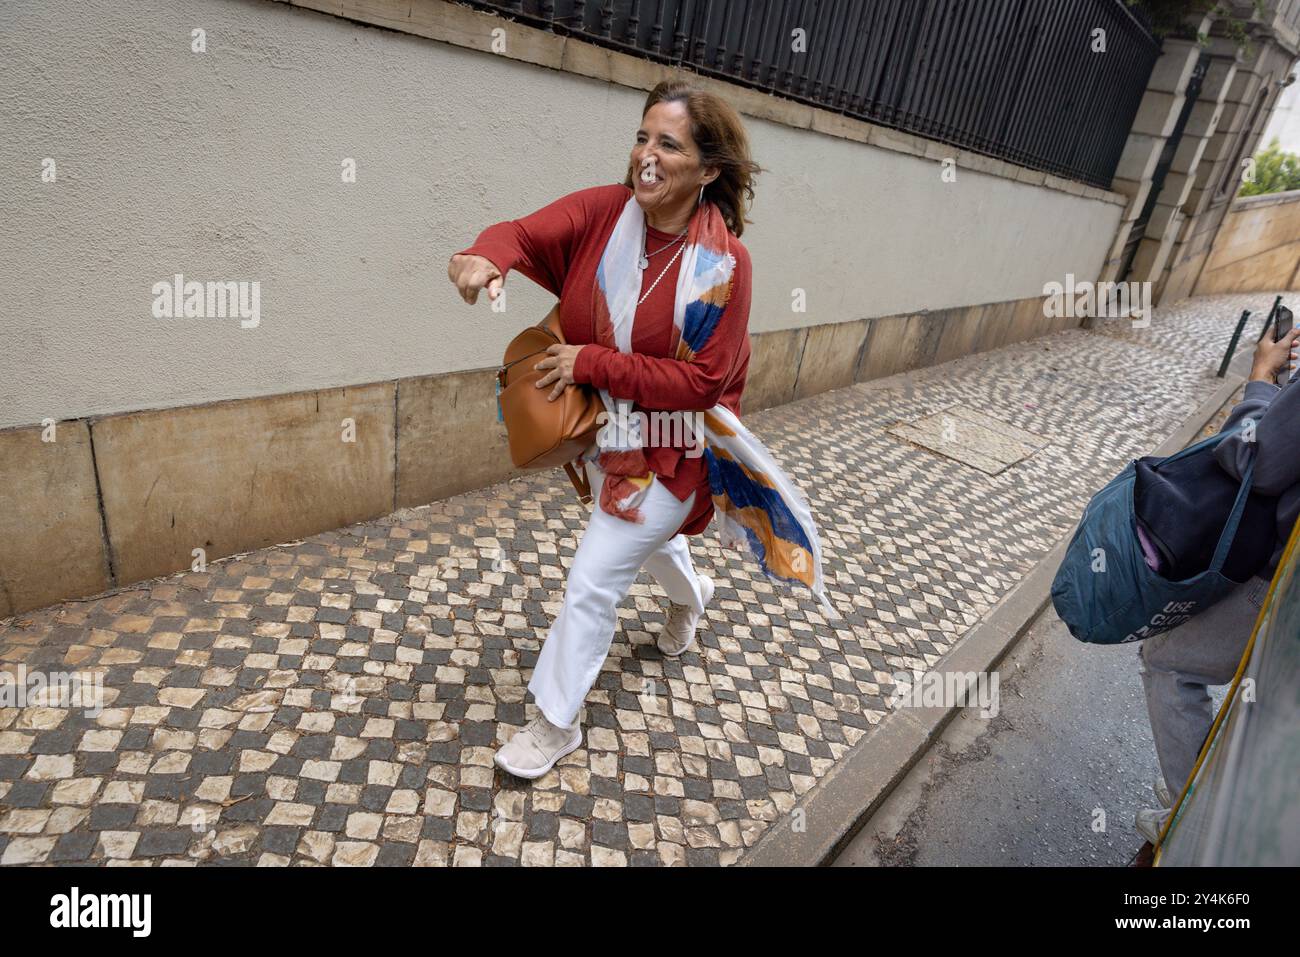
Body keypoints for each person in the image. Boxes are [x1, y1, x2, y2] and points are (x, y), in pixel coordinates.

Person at [448, 80, 826, 781]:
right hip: (608, 441)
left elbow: (702, 385)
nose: (646, 156)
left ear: (708, 169)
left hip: (677, 454)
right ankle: (696, 597)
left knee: (595, 574)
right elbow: (522, 234)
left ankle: (553, 722)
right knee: (647, 551)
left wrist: (592, 360)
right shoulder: (603, 214)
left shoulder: (724, 268)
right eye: (642, 137)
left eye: (669, 144)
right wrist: (484, 257)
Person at [1135, 322, 1300, 842]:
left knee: (1168, 663)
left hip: (1282, 579)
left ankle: (1194, 824)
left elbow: (1256, 459)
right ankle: (1200, 793)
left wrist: (1260, 380)